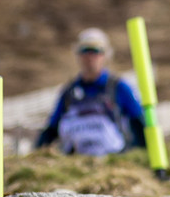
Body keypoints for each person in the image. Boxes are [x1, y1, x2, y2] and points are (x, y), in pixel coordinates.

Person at [36, 28, 146, 156]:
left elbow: (139, 125)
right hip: (77, 163)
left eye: (95, 51)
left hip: (113, 161)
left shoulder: (119, 88)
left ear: (105, 55)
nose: (90, 57)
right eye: (85, 50)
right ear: (78, 55)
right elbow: (51, 129)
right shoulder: (69, 92)